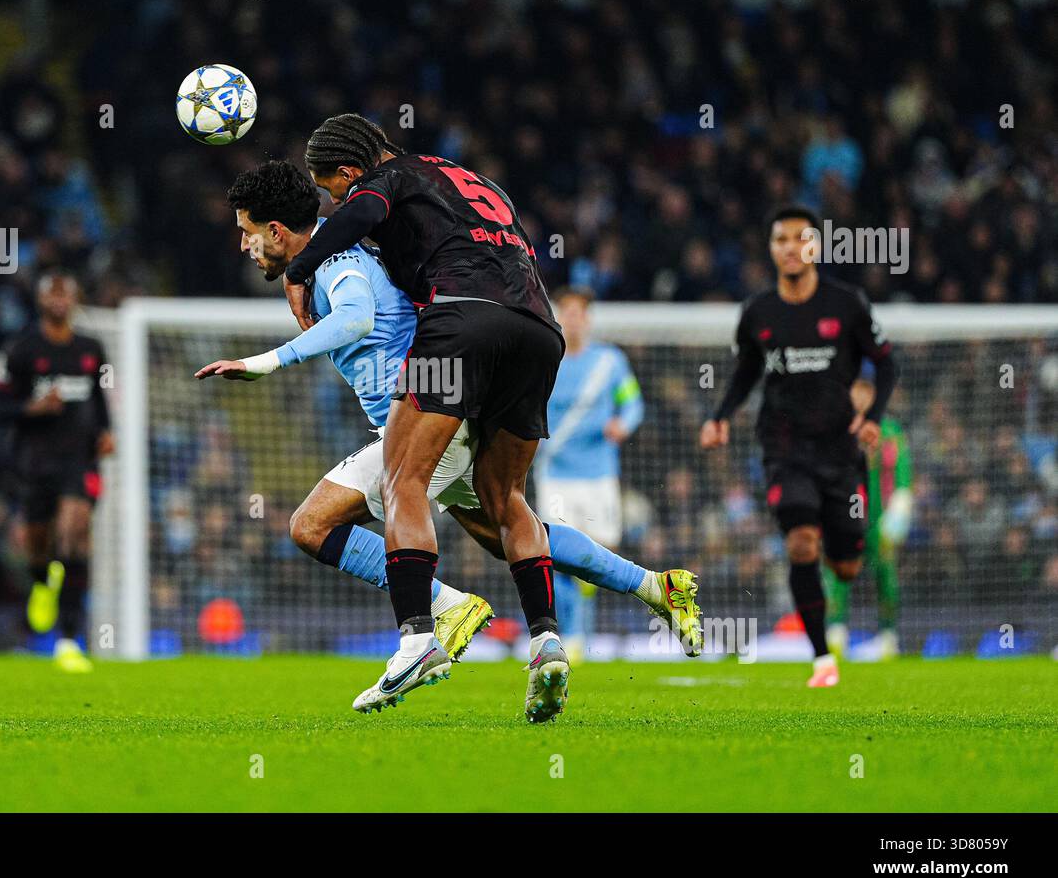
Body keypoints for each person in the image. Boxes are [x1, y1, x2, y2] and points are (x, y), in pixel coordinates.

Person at [199, 161, 701, 706]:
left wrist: (265, 362)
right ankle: (653, 586)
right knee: (509, 531)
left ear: (276, 230)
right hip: (451, 399)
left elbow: (356, 319)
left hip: (429, 409)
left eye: (249, 232)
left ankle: (430, 620)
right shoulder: (336, 253)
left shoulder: (334, 261)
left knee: (312, 524)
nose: (245, 246)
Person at [700, 206, 896, 688]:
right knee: (800, 542)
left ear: (816, 247)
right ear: (771, 250)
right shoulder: (758, 313)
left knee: (847, 565)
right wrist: (720, 416)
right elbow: (746, 371)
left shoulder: (847, 305)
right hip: (784, 450)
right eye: (780, 239)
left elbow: (887, 365)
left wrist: (871, 419)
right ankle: (822, 658)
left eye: (799, 238)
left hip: (841, 452)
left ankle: (840, 555)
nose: (790, 247)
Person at [0, 273, 114, 673]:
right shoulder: (22, 350)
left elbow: (98, 399)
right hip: (34, 462)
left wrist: (106, 433)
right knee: (38, 545)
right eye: (52, 294)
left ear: (76, 299)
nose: (60, 300)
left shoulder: (92, 350)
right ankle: (42, 581)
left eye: (67, 293)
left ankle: (67, 640)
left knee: (74, 533)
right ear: (41, 300)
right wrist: (33, 408)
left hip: (78, 461)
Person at [537, 287, 645, 665]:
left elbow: (632, 401)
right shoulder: (546, 357)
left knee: (597, 553)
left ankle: (579, 630)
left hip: (599, 474)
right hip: (556, 474)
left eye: (579, 313)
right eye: (566, 312)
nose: (573, 319)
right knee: (556, 555)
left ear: (588, 318)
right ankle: (575, 637)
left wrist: (624, 423)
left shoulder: (609, 362)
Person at [824, 368, 913, 660]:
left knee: (885, 573)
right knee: (837, 571)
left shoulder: (890, 431)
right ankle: (836, 633)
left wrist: (900, 506)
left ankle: (888, 635)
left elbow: (902, 472)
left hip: (879, 517)